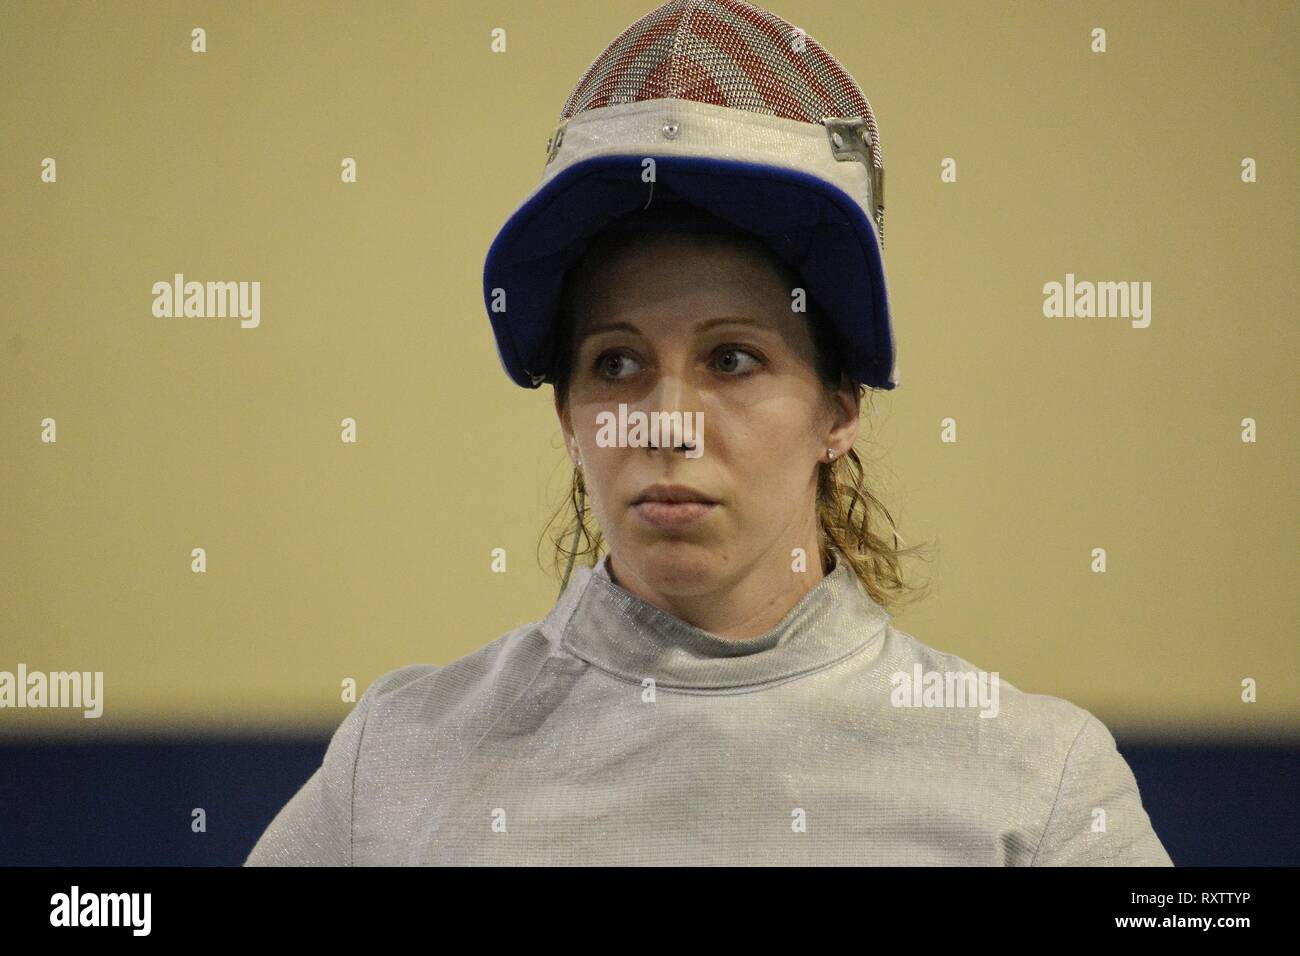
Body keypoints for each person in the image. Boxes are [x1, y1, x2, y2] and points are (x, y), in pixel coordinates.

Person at [246, 0, 1173, 866]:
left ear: (839, 407)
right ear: (567, 413)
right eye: (616, 363)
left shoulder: (1038, 787)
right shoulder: (396, 769)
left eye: (732, 360)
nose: (668, 420)